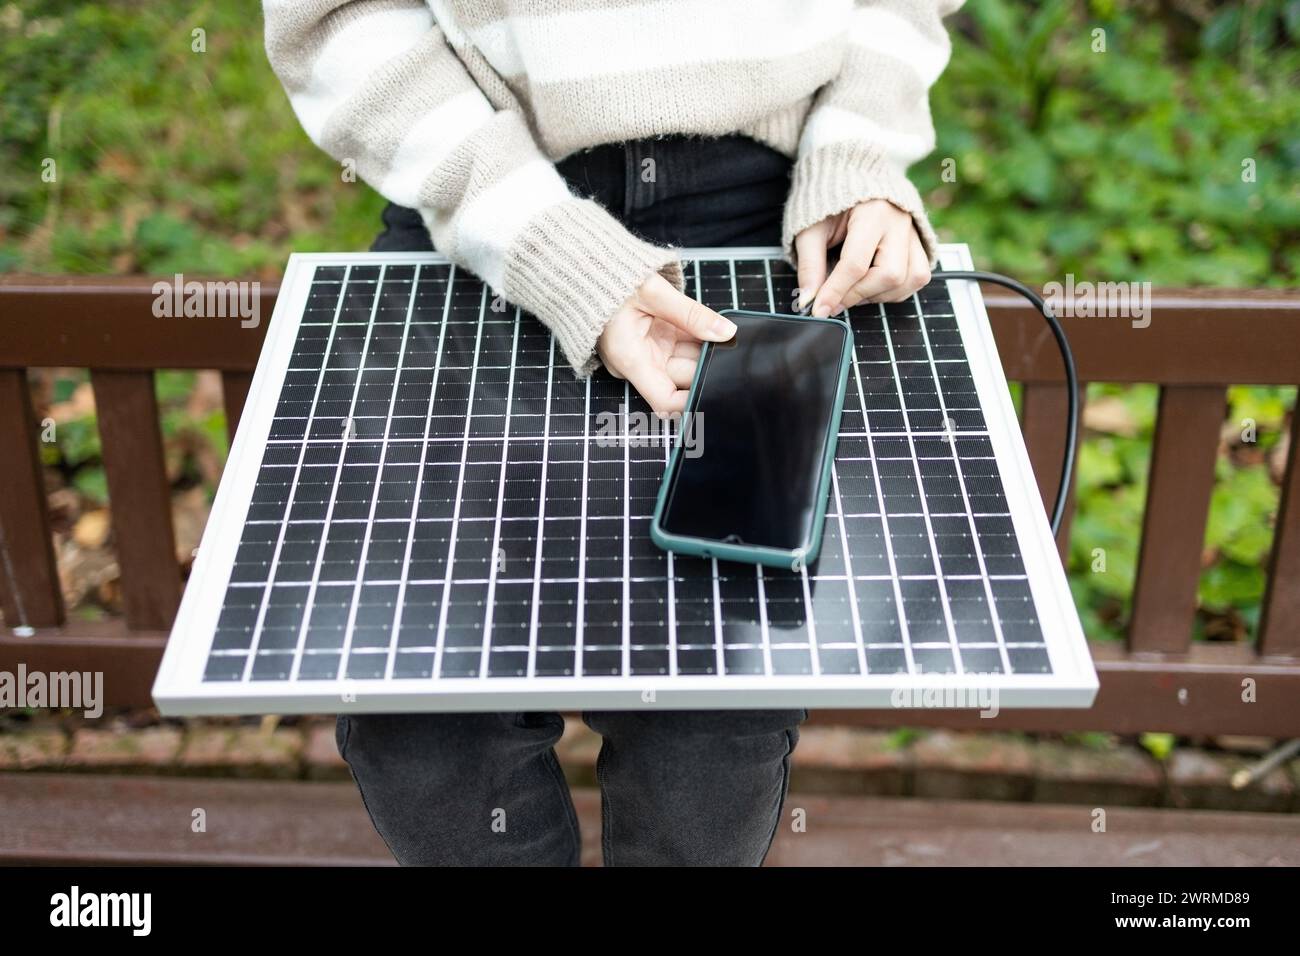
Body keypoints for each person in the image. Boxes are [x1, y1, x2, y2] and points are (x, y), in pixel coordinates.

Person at [264, 0, 963, 866]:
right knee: (422, 726)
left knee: (708, 735)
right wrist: (542, 239)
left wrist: (857, 149)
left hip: (763, 215)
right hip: (478, 214)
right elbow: (339, 18)